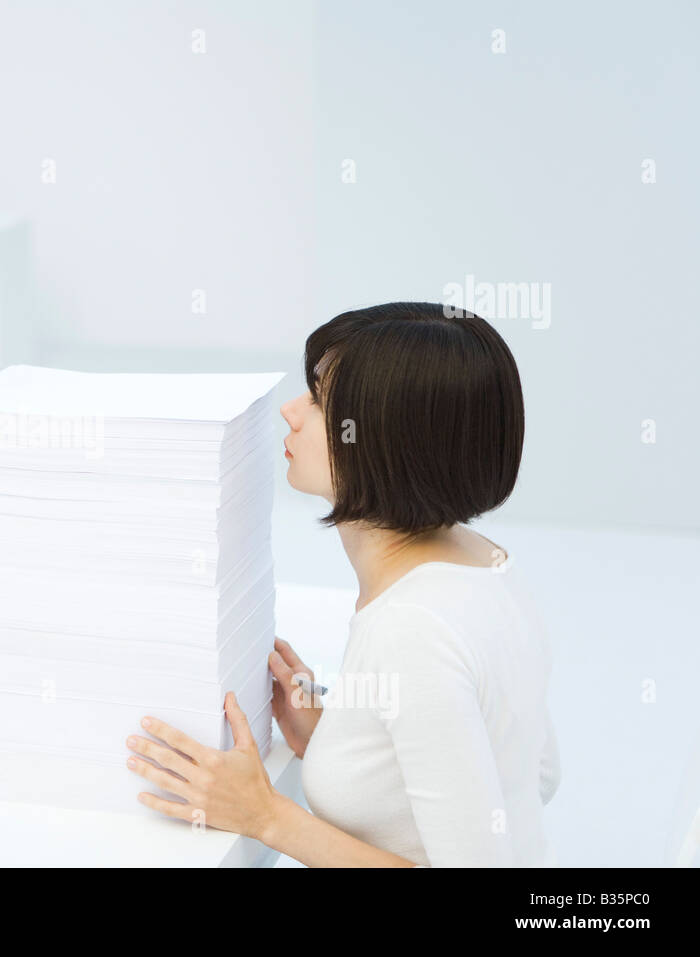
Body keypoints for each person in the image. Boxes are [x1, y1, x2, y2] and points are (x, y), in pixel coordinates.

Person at [123, 302, 561, 866]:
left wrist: (265, 815)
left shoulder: (410, 630)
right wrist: (338, 736)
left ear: (386, 442)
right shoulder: (484, 562)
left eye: (319, 400)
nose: (290, 411)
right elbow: (535, 773)